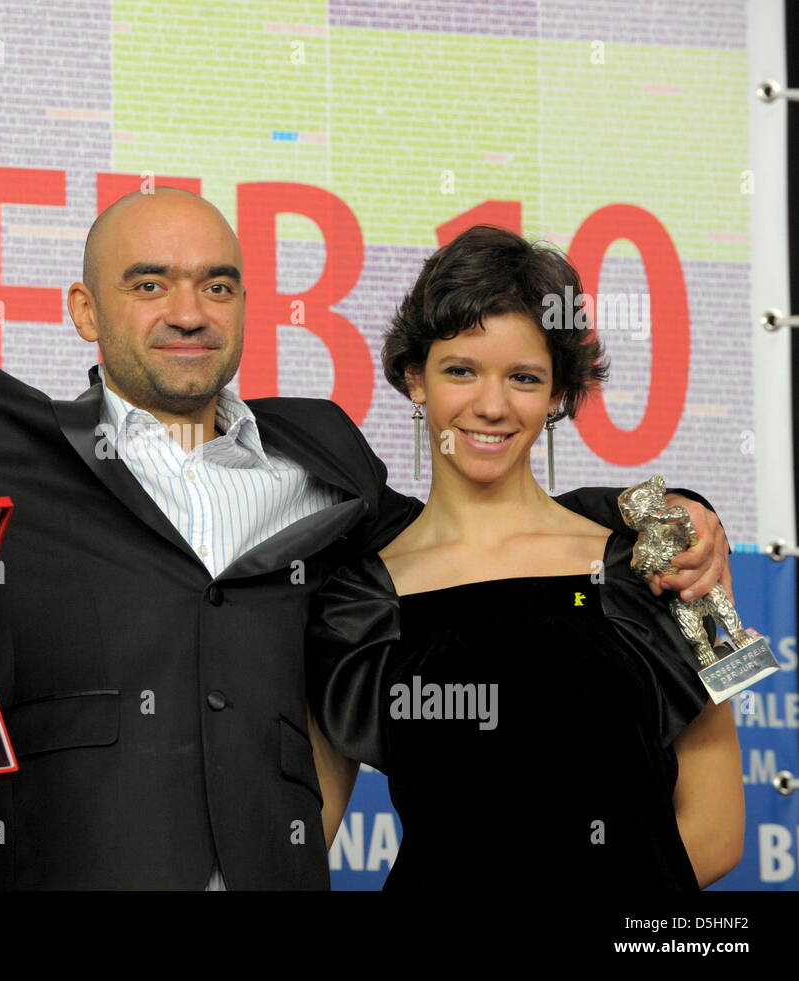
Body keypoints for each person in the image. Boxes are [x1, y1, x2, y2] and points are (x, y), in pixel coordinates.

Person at [0, 191, 731, 889]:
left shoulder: (331, 466)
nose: (185, 310)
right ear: (83, 310)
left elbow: (482, 517)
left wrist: (664, 513)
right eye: (150, 282)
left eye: (217, 285)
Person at [306, 226, 745, 890]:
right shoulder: (353, 601)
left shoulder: (673, 548)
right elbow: (302, 836)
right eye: (461, 370)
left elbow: (719, 829)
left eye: (523, 377)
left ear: (558, 393)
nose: (491, 405)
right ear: (414, 377)